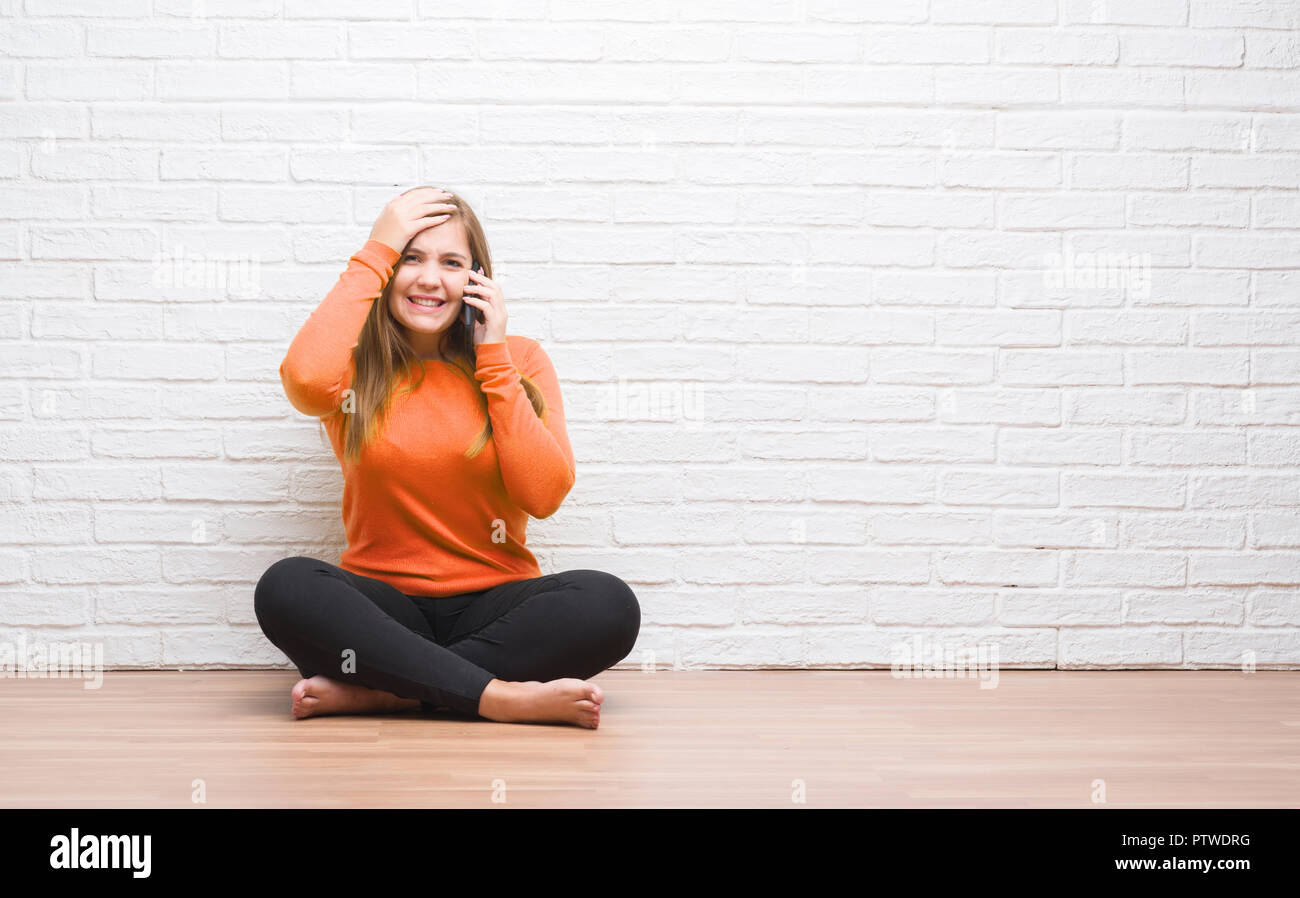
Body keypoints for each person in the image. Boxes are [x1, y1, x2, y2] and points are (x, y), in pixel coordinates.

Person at [254, 186, 640, 729]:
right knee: (286, 586)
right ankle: (498, 697)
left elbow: (545, 494)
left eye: (451, 262)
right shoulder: (354, 366)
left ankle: (391, 694)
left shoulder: (518, 358)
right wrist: (375, 248)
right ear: (389, 269)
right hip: (381, 614)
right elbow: (304, 381)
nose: (430, 278)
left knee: (609, 603)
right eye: (410, 258)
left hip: (495, 608)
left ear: (476, 279)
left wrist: (494, 359)